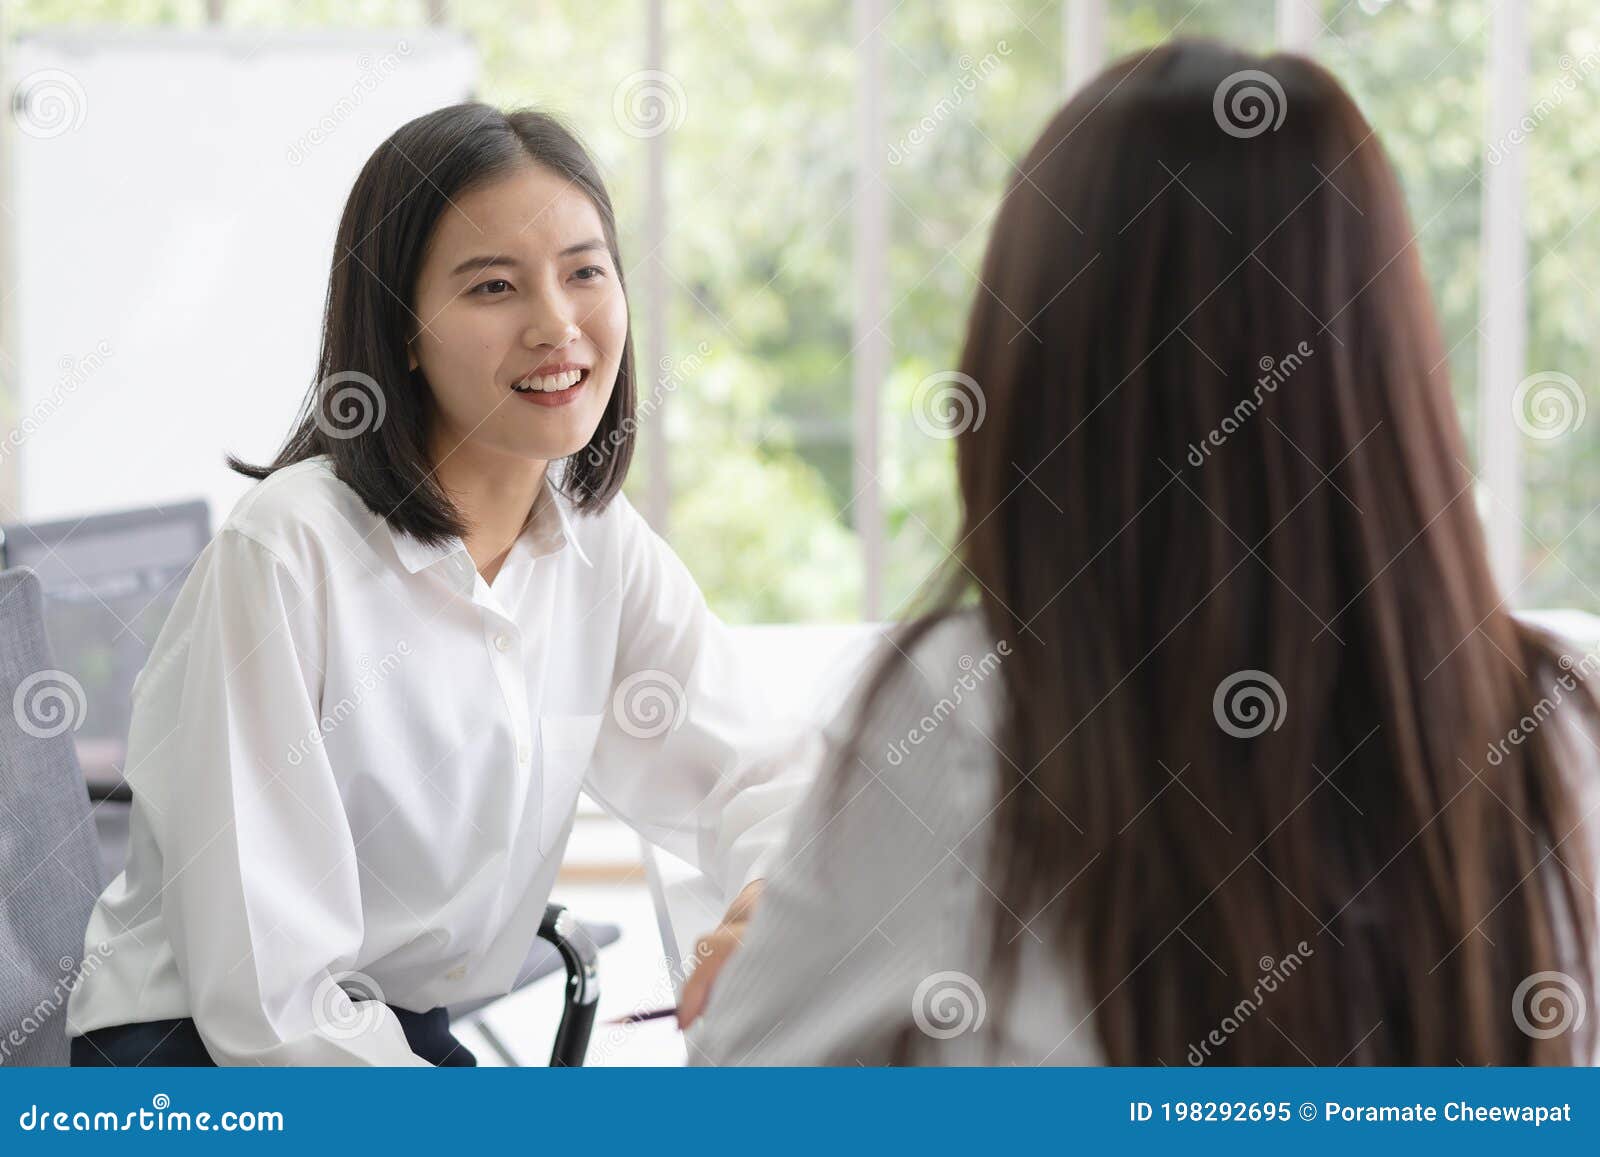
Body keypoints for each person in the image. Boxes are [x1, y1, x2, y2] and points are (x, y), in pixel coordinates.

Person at [689, 40, 1600, 1066]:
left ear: (1036, 369)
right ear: (1390, 363)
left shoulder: (972, 710)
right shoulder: (1559, 725)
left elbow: (742, 1083)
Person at [67, 104, 798, 1066]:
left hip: (387, 1035)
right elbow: (268, 999)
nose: (557, 323)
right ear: (401, 330)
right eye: (494, 286)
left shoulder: (596, 548)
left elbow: (764, 777)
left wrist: (769, 896)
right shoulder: (289, 553)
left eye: (585, 270)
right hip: (198, 1058)